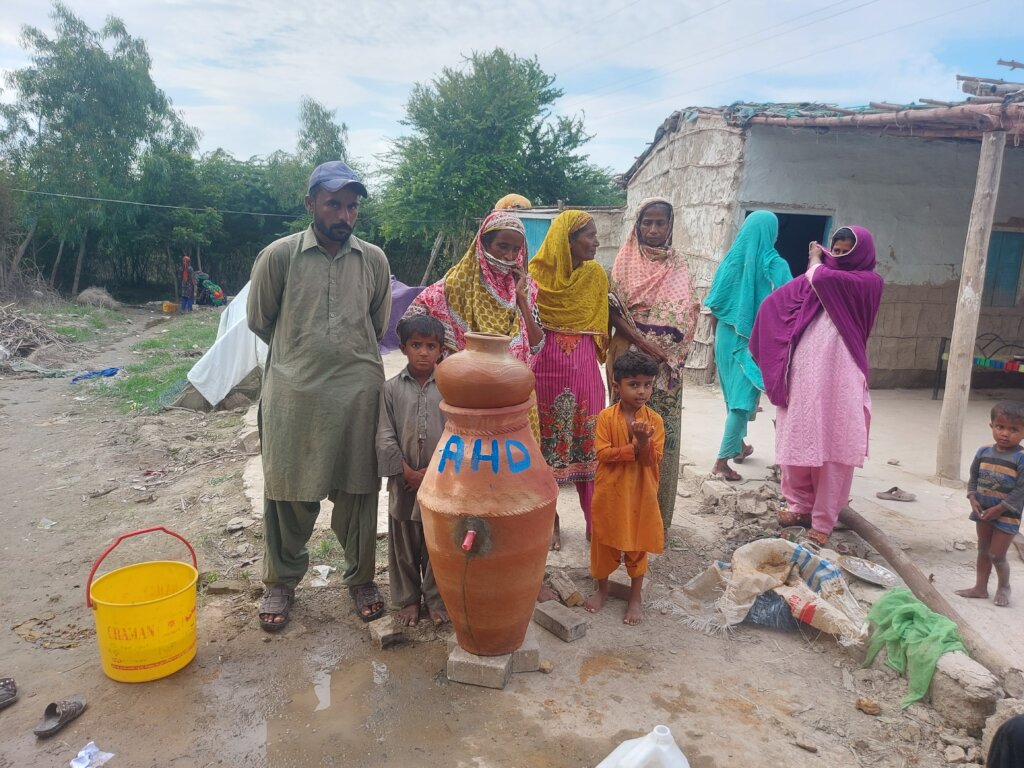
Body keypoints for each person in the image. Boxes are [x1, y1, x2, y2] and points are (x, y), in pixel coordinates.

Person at [247, 160, 392, 631]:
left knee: (359, 490)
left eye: (352, 206)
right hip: (295, 392)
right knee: (288, 490)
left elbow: (378, 323)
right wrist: (303, 356)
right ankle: (281, 581)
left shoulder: (373, 259)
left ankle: (362, 578)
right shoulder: (279, 256)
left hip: (358, 394)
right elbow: (260, 319)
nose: (344, 214)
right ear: (310, 204)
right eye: (334, 203)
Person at [749, 226, 884, 547]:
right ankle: (800, 507)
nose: (838, 256)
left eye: (845, 251)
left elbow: (822, 279)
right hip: (805, 375)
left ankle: (823, 521)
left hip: (841, 377)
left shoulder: (867, 282)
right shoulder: (817, 279)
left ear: (861, 253)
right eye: (835, 250)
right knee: (797, 437)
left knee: (834, 446)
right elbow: (775, 303)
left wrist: (815, 260)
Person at [608, 197, 699, 528]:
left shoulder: (679, 266)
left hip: (667, 368)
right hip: (629, 361)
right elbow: (614, 312)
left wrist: (667, 352)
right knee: (625, 432)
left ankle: (655, 518)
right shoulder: (623, 263)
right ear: (637, 225)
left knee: (662, 436)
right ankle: (621, 514)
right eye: (647, 222)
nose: (654, 229)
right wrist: (645, 343)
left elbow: (689, 312)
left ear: (671, 226)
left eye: (661, 223)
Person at [529, 210, 608, 550]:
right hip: (545, 371)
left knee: (588, 443)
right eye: (589, 235)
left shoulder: (595, 276)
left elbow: (604, 321)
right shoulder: (535, 277)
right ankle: (551, 521)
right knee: (546, 446)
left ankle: (596, 520)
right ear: (568, 240)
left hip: (586, 371)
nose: (596, 241)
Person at [705, 211, 793, 482]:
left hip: (724, 335)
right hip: (754, 340)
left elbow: (714, 306)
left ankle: (740, 446)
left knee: (734, 396)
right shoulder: (775, 264)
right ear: (772, 232)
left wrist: (717, 339)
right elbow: (792, 304)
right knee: (742, 403)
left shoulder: (730, 261)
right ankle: (721, 462)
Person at [376, 315, 449, 626]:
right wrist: (404, 471)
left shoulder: (449, 389)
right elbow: (384, 433)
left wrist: (432, 475)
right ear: (404, 348)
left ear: (441, 350)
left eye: (431, 346)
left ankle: (435, 598)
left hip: (441, 482)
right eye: (416, 345)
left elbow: (455, 434)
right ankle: (407, 599)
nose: (423, 352)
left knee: (437, 543)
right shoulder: (390, 389)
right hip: (403, 482)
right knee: (404, 543)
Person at [584, 351, 665, 625]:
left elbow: (652, 461)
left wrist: (644, 442)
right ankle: (603, 588)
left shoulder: (655, 422)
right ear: (616, 386)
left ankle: (635, 598)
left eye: (647, 384)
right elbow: (603, 454)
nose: (642, 391)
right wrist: (634, 446)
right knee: (603, 541)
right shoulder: (606, 418)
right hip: (610, 493)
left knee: (637, 544)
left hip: (640, 494)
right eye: (634, 384)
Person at [406, 210, 543, 363]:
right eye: (503, 246)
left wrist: (522, 299)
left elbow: (537, 344)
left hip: (510, 381)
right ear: (484, 244)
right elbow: (408, 324)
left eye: (516, 249)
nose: (509, 256)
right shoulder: (457, 283)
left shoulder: (525, 287)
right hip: (462, 380)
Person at [954, 401, 1024, 608]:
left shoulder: (1021, 458)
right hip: (982, 510)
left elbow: (1021, 489)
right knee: (983, 550)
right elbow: (974, 476)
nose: (1005, 433)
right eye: (1000, 427)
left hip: (1007, 514)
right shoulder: (983, 452)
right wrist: (972, 497)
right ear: (991, 426)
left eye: (1014, 429)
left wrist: (1000, 508)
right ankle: (980, 587)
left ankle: (1004, 587)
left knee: (997, 554)